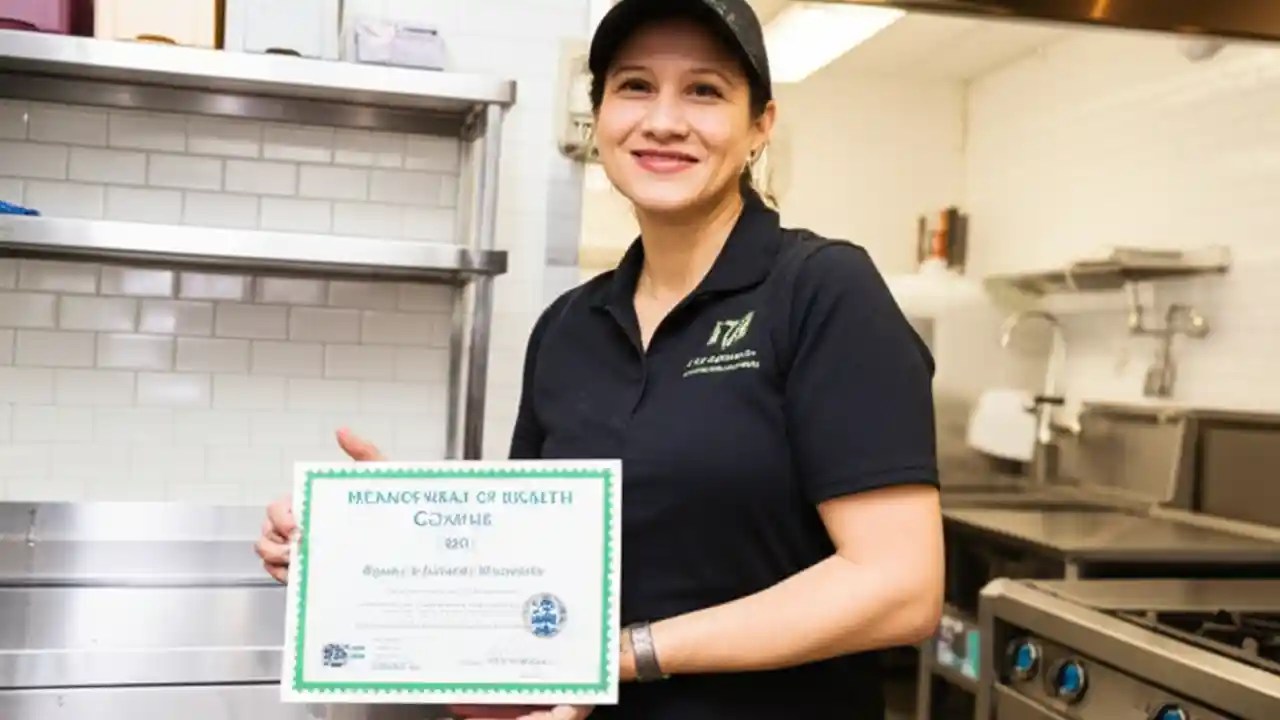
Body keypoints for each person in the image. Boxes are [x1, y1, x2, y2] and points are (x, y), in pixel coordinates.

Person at [256, 0, 944, 717]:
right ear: (601, 116)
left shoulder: (820, 291)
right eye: (635, 86)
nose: (664, 119)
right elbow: (519, 642)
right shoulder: (568, 329)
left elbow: (899, 588)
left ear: (760, 126)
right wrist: (377, 556)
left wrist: (627, 654)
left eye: (704, 90)